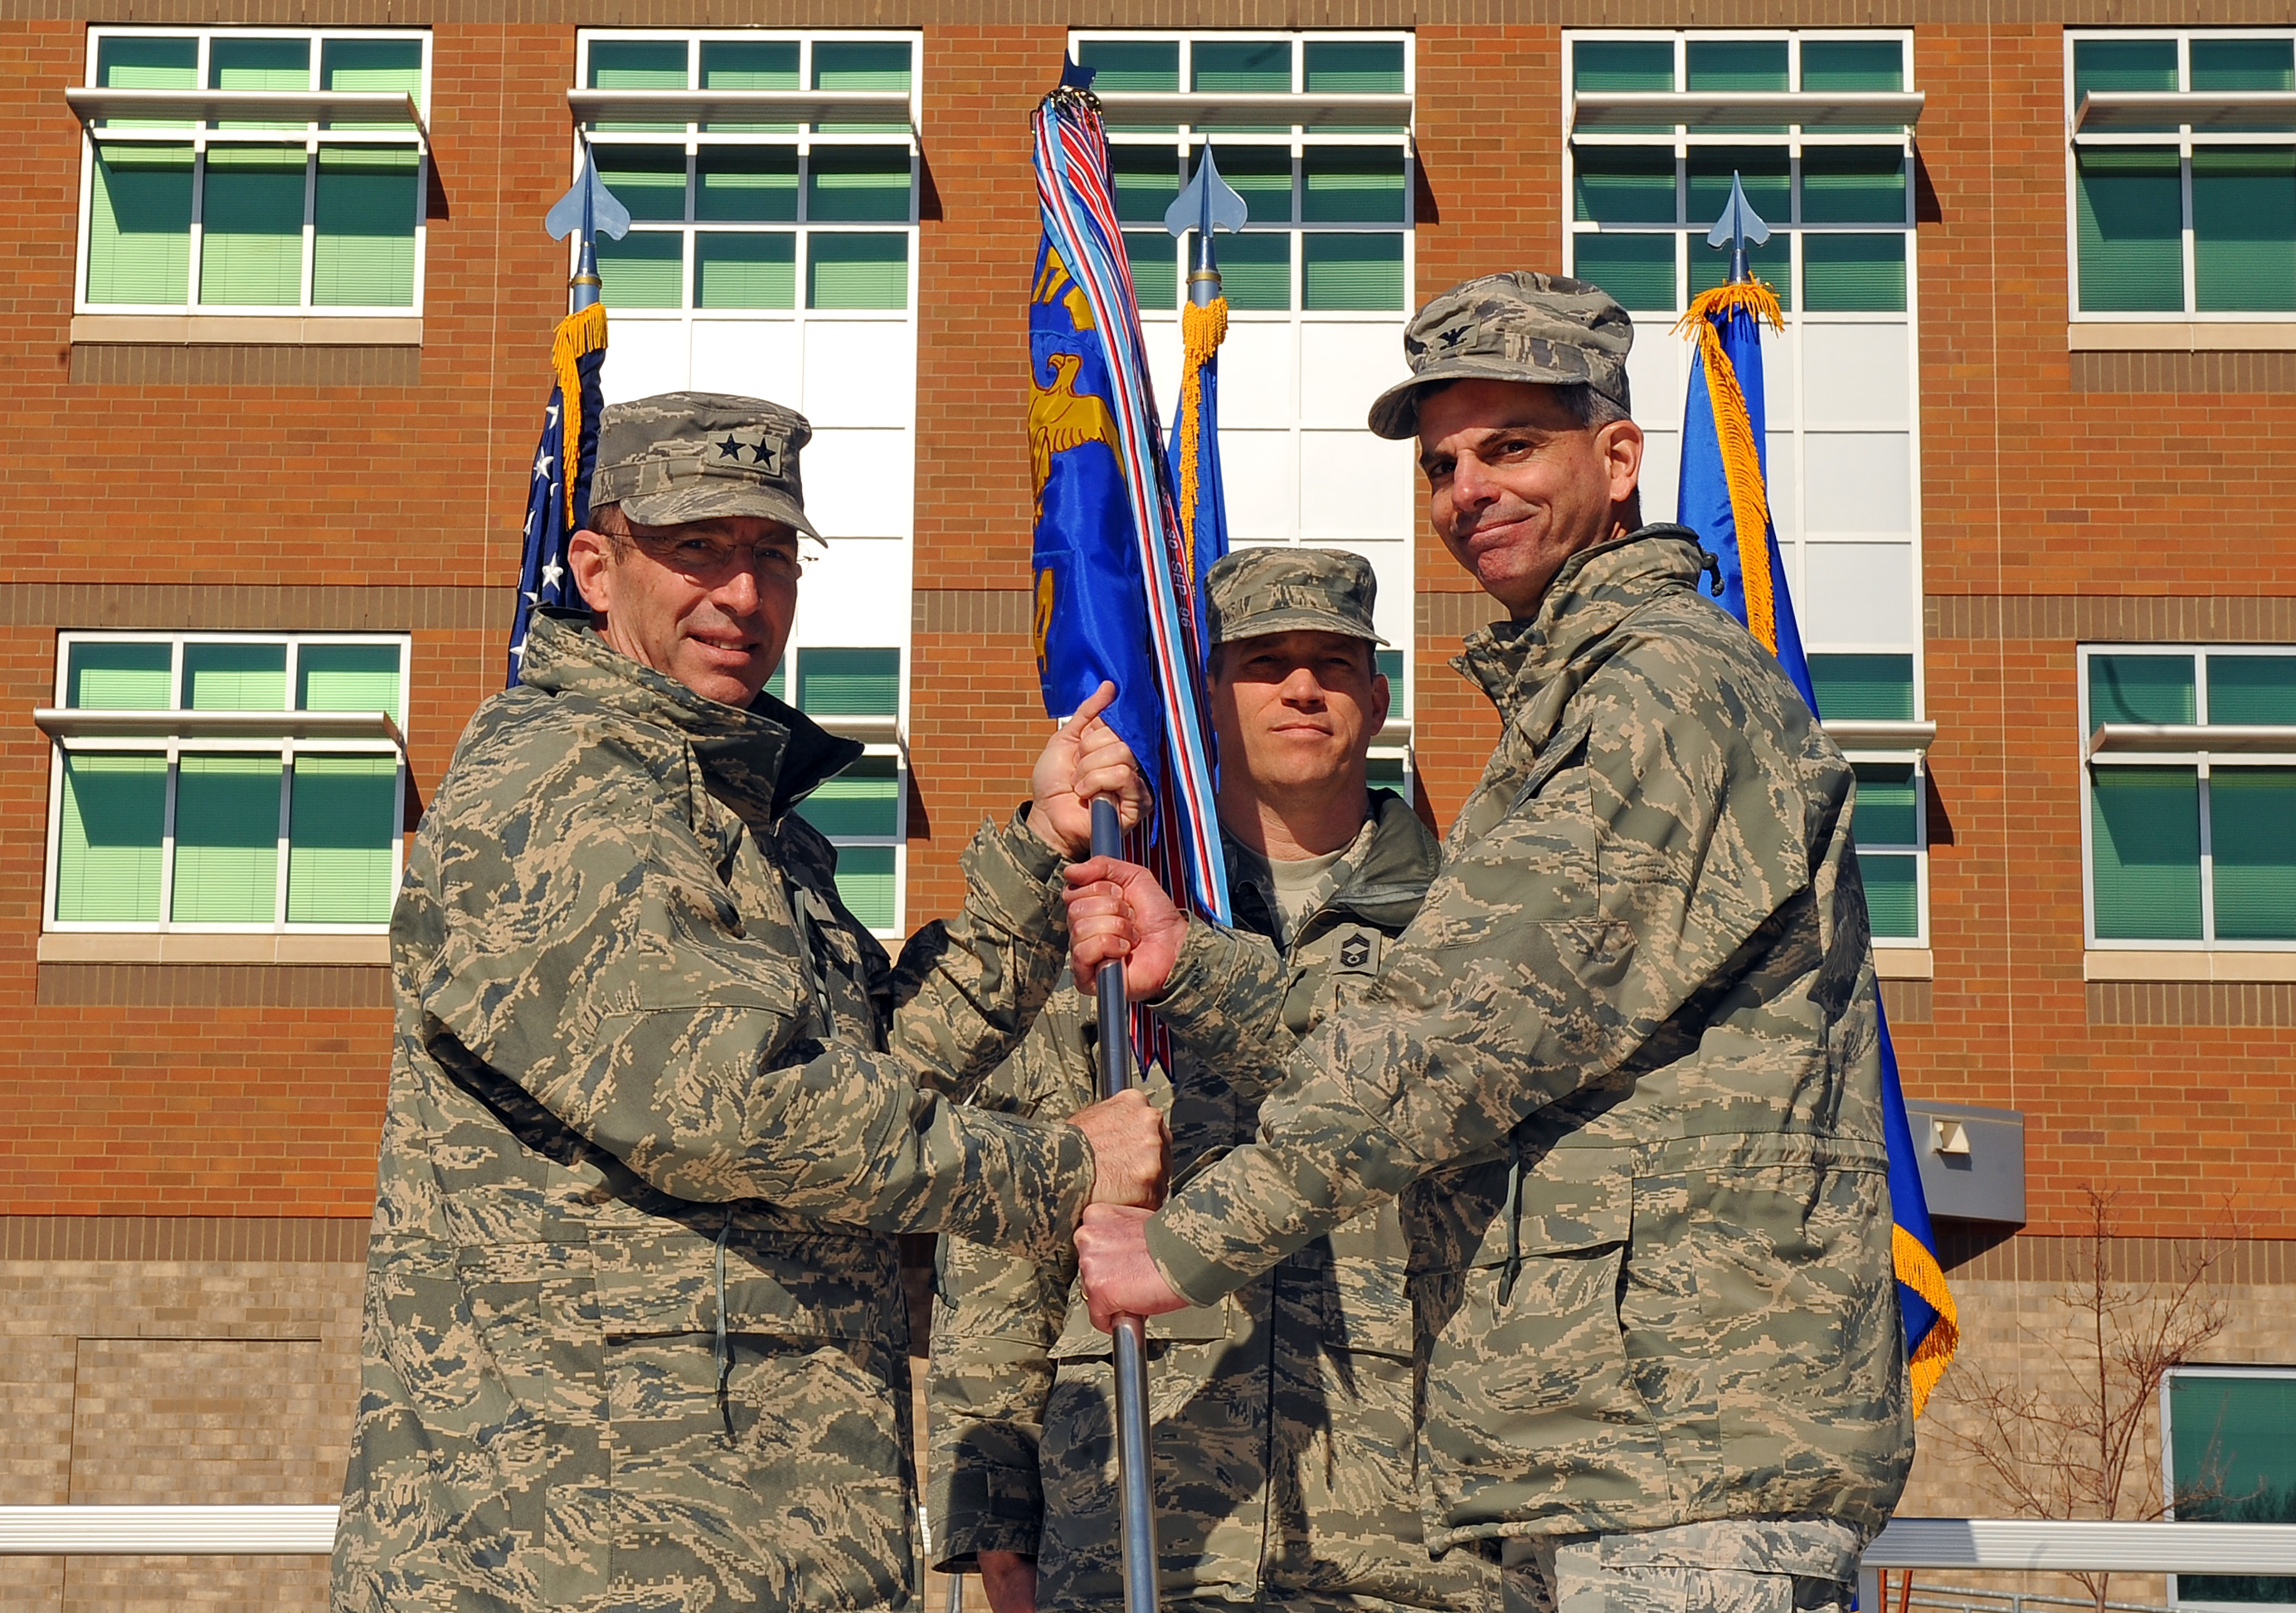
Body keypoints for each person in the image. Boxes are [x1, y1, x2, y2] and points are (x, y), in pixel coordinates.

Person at [1065, 275, 1916, 1613]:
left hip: (1685, 1462)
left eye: (1511, 445)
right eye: (1442, 462)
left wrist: (1185, 1245)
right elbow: (1449, 1005)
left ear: (1618, 458)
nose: (1468, 489)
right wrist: (1201, 966)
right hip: (1591, 1456)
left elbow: (1468, 1033)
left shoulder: (1664, 691)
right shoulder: (1572, 705)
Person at [331, 392, 1168, 1613]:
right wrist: (1058, 1171)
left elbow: (879, 1068)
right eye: (698, 550)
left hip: (752, 1537)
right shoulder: (560, 784)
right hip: (581, 1549)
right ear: (597, 569)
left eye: (772, 554)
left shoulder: (734, 812)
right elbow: (733, 1106)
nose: (741, 593)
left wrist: (1040, 857)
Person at [927, 548, 1493, 1613]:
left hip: (1401, 1533)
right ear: (1204, 698)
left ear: (1376, 700)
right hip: (1136, 1511)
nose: (1301, 688)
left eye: (1333, 663)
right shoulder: (1106, 922)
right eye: (1264, 663)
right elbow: (1003, 1243)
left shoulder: (1468, 924)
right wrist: (994, 1521)